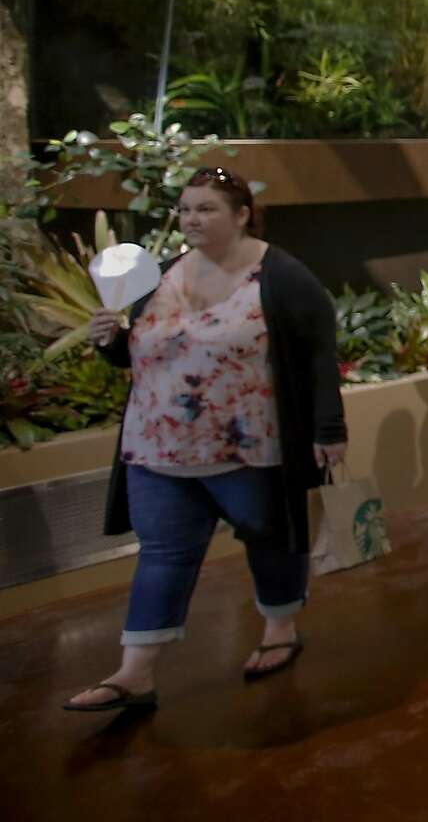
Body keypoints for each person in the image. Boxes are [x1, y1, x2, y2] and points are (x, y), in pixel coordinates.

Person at [62, 168, 345, 713]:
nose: (192, 219)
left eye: (206, 209)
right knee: (163, 553)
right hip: (156, 450)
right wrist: (110, 342)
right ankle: (134, 672)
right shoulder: (160, 276)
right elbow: (143, 352)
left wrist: (328, 429)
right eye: (186, 209)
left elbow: (317, 353)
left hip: (248, 449)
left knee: (270, 539)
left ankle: (279, 629)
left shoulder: (281, 277)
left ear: (241, 215)